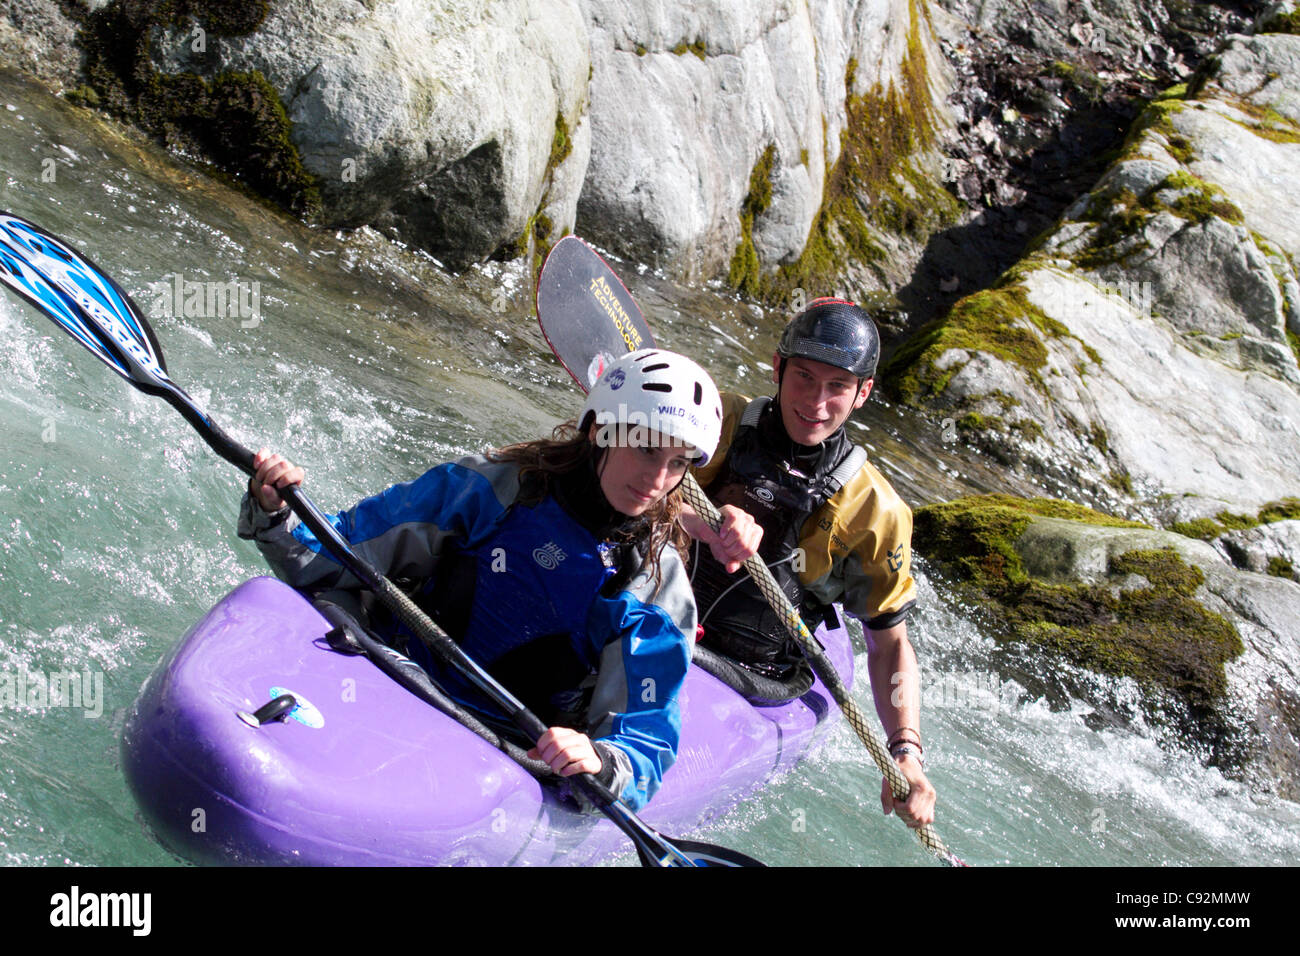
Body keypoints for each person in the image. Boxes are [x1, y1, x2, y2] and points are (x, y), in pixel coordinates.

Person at [237, 348, 723, 812]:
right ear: (600, 429)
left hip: (504, 749)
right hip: (393, 670)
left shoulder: (652, 583)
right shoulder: (499, 486)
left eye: (678, 463)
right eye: (646, 448)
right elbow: (344, 551)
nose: (658, 479)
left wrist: (602, 761)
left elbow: (646, 733)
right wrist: (276, 513)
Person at [682, 297, 938, 828]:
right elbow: (626, 492)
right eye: (803, 377)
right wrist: (698, 519)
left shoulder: (876, 511)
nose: (816, 402)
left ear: (863, 393)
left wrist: (907, 752)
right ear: (777, 367)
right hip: (648, 617)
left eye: (837, 386)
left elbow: (889, 643)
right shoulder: (714, 419)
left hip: (751, 674)